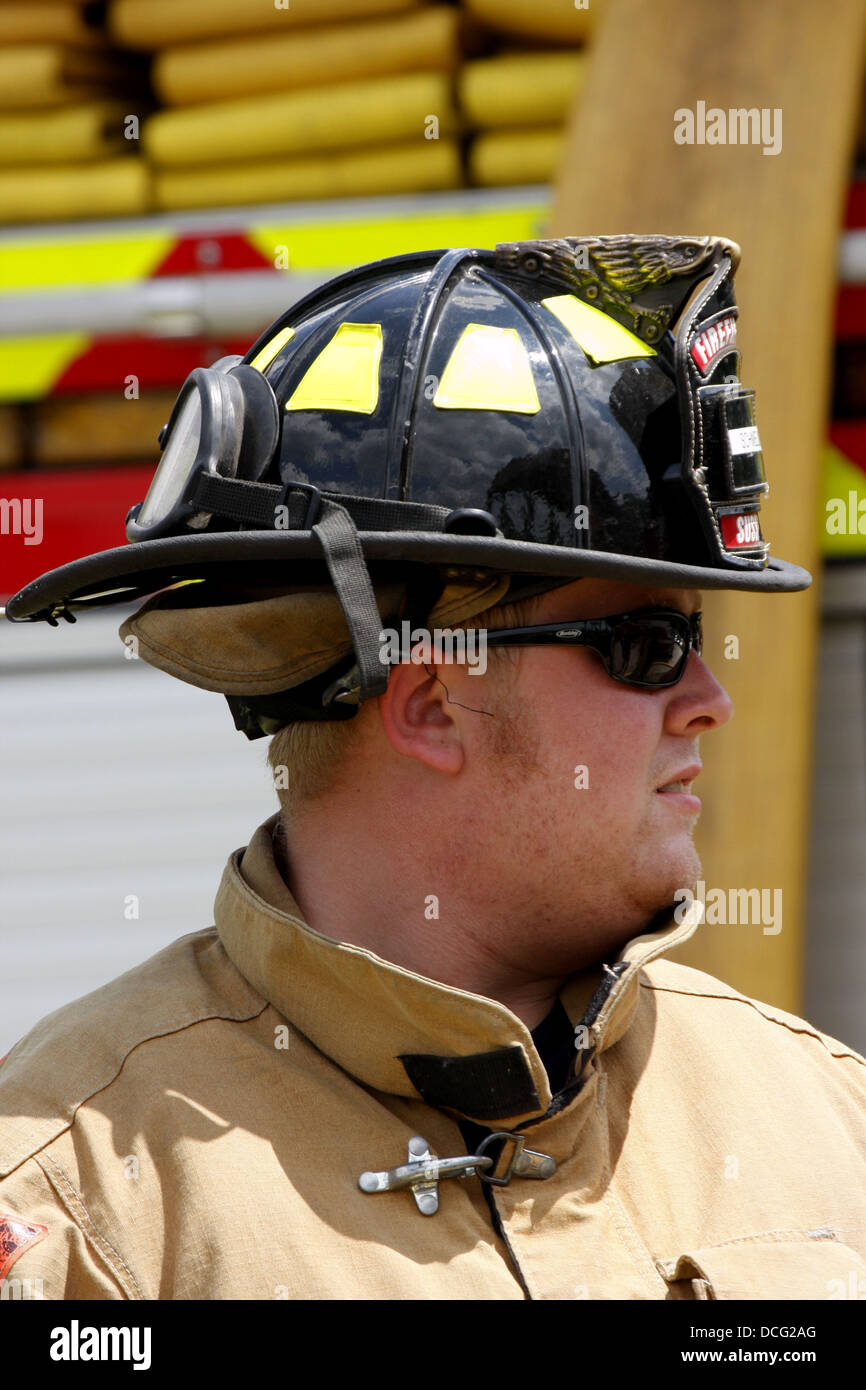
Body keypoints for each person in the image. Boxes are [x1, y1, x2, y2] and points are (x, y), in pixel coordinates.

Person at [2, 234, 865, 1302]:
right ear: (433, 700)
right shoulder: (82, 1200)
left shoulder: (819, 1116)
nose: (709, 702)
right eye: (645, 647)